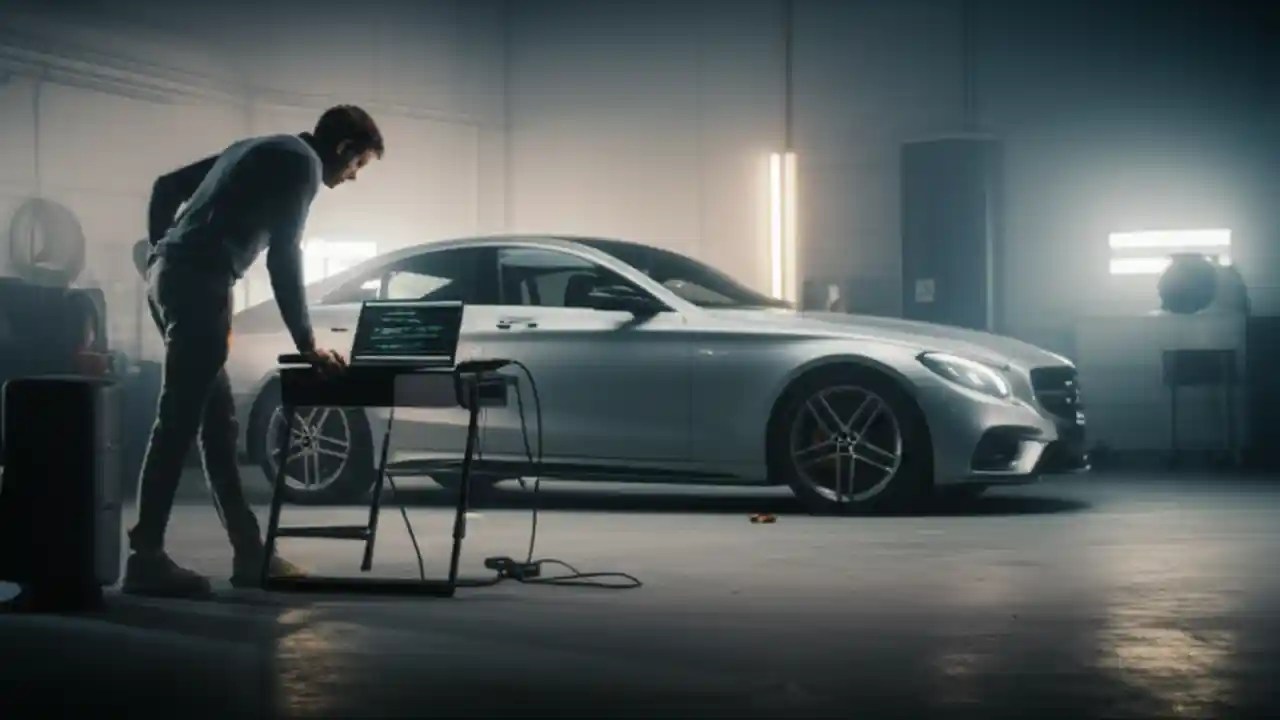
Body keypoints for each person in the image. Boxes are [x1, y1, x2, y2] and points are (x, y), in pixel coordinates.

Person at [124, 105, 384, 597]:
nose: (352, 178)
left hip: (174, 281)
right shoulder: (301, 165)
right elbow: (284, 259)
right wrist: (308, 345)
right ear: (344, 149)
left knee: (216, 423)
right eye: (358, 166)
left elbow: (165, 187)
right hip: (201, 285)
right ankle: (146, 557)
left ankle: (249, 553)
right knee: (178, 419)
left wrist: (162, 257)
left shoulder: (257, 146)